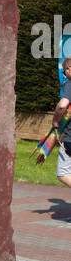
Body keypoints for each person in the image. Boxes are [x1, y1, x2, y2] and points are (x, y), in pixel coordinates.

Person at [54, 57, 71, 192]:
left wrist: (55, 121)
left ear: (68, 70)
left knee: (63, 174)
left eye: (64, 72)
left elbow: (62, 106)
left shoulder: (70, 84)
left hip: (70, 139)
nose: (65, 75)